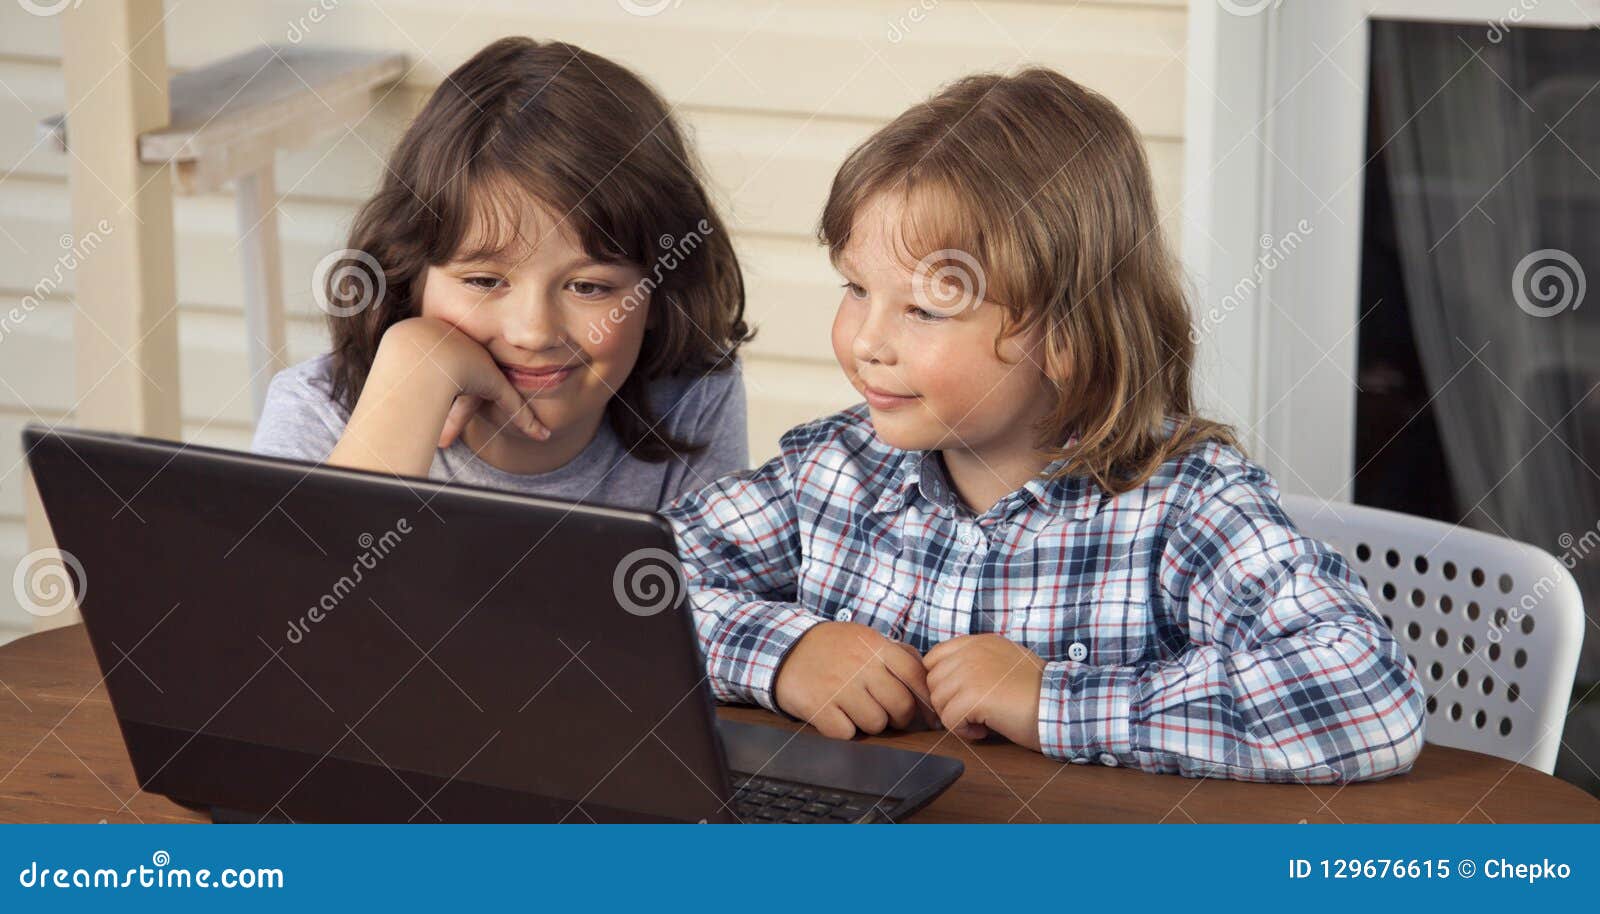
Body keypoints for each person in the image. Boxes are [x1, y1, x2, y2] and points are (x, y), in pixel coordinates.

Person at [664, 68, 1426, 782]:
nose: (867, 340)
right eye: (856, 288)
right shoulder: (833, 470)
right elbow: (624, 582)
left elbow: (1367, 690)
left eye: (926, 308)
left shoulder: (1183, 508)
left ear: (1066, 336)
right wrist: (787, 651)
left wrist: (1052, 701)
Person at [252, 38, 750, 510]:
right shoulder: (317, 411)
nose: (532, 332)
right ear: (409, 274)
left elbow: (709, 595)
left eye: (589, 286)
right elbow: (308, 596)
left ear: (661, 296)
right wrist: (414, 370)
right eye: (484, 281)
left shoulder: (692, 400)